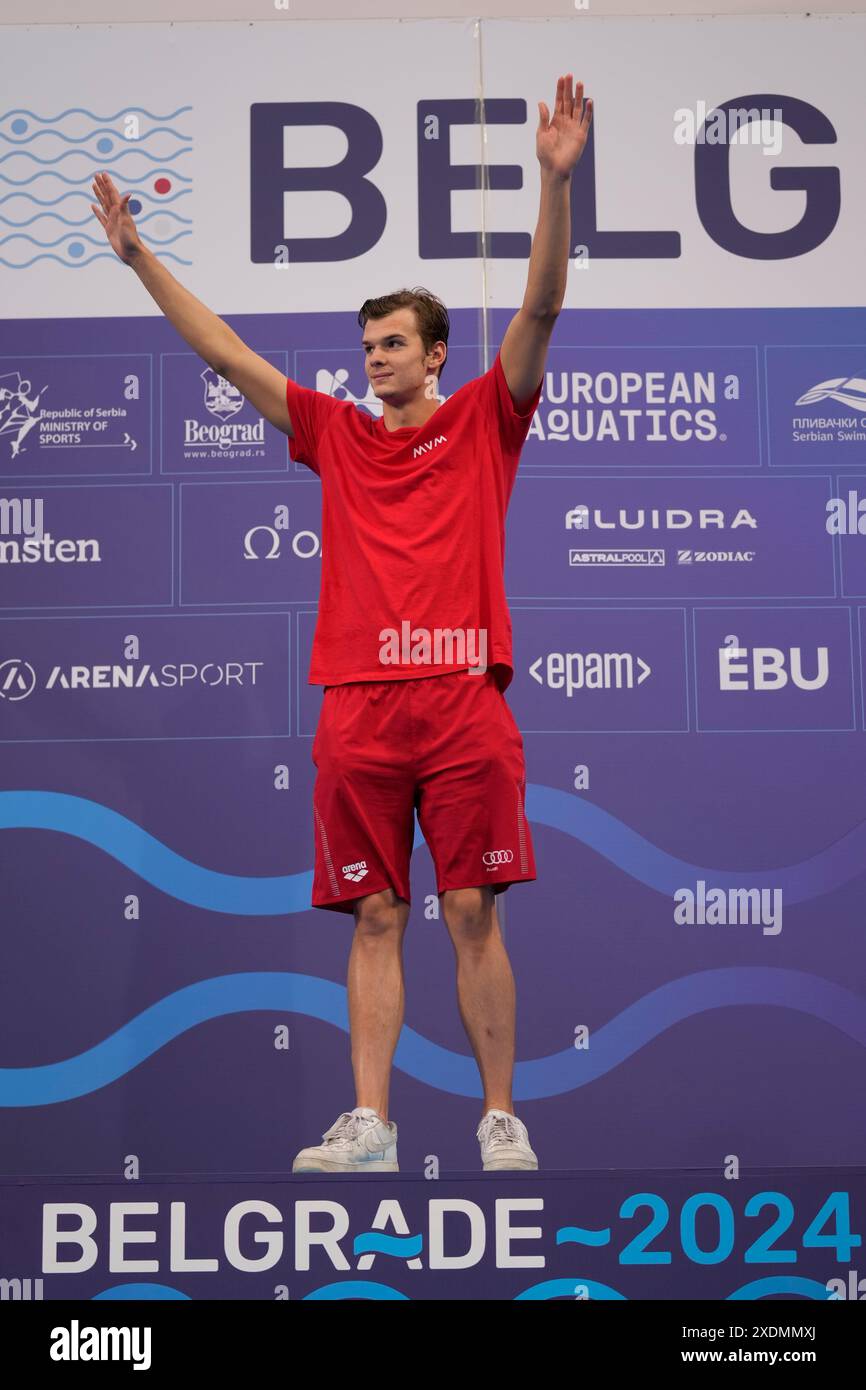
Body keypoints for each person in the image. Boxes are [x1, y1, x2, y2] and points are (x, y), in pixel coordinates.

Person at [91, 74, 593, 1174]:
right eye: (366, 342)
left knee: (469, 907)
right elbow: (223, 353)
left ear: (434, 355)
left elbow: (541, 308)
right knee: (374, 916)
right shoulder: (332, 432)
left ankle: (499, 1117)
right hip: (360, 709)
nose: (374, 357)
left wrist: (555, 184)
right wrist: (137, 260)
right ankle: (368, 1123)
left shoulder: (482, 422)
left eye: (393, 342)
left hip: (461, 698)